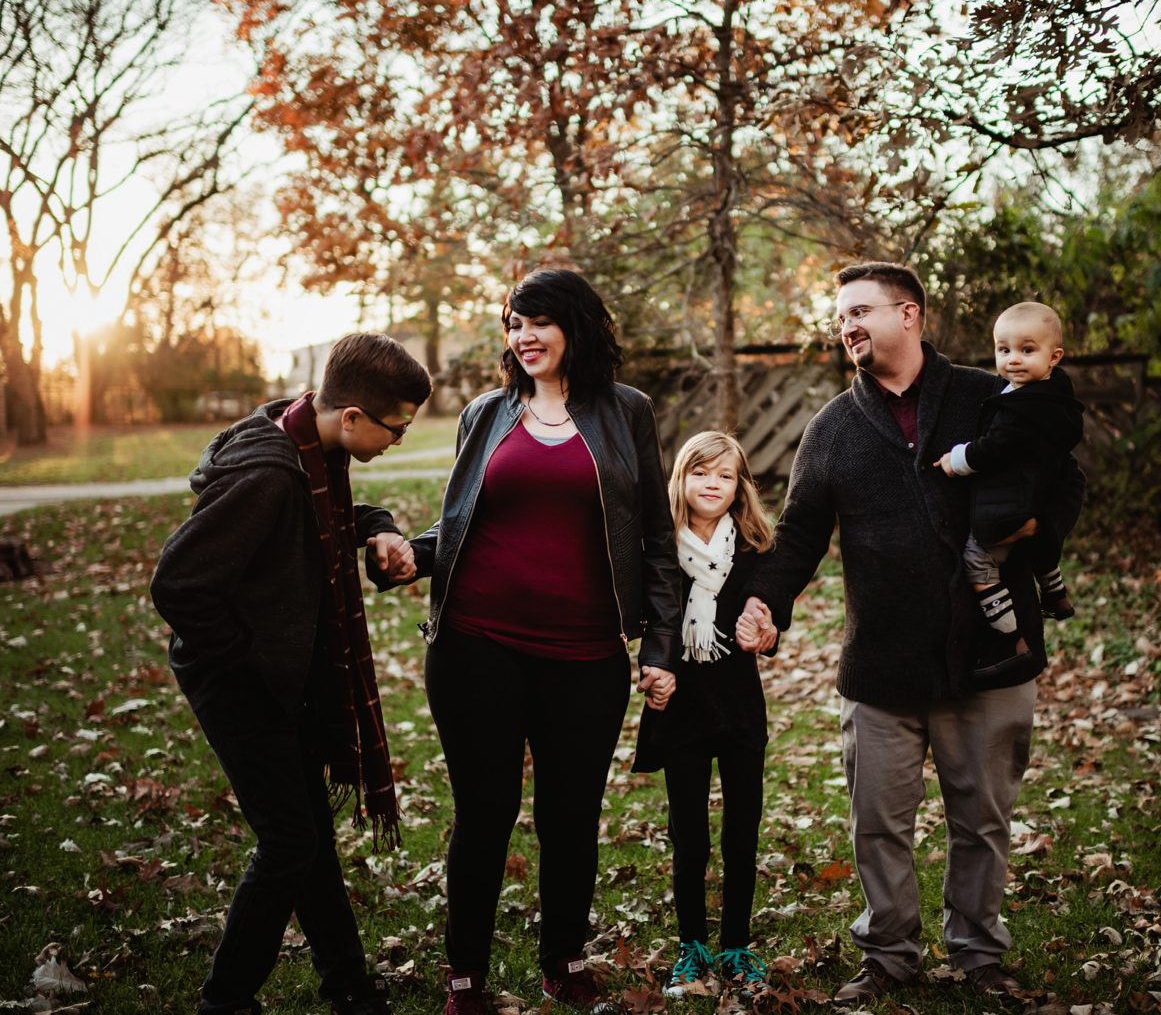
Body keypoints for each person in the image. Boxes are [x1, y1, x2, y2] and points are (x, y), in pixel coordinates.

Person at [736, 262, 1083, 1005]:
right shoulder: (831, 427)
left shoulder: (992, 397)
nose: (848, 326)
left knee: (982, 822)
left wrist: (1041, 527)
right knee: (877, 827)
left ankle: (978, 954)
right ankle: (890, 953)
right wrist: (767, 604)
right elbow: (797, 537)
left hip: (989, 656)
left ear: (910, 315)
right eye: (841, 317)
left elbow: (1065, 477)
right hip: (882, 665)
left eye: (861, 310)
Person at [393, 268, 682, 1015]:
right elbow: (458, 521)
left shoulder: (627, 412)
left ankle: (563, 961)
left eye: (537, 321)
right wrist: (408, 556)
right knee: (483, 811)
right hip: (475, 644)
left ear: (576, 326)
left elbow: (655, 535)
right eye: (513, 323)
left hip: (585, 653)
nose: (522, 336)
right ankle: (465, 979)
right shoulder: (487, 413)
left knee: (570, 815)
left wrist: (658, 646)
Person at [150, 332, 433, 1015]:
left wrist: (382, 526)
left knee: (308, 835)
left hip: (281, 681)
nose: (399, 438)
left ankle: (349, 985)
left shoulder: (313, 445)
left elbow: (329, 519)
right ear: (354, 418)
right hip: (241, 684)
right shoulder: (268, 474)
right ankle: (226, 997)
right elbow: (179, 584)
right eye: (398, 427)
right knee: (289, 841)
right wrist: (259, 660)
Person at [632, 432, 783, 1000]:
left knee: (742, 832)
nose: (713, 484)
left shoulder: (752, 547)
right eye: (701, 472)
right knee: (689, 838)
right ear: (681, 479)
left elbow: (769, 617)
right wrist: (653, 669)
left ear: (739, 485)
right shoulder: (658, 547)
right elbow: (646, 623)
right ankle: (691, 946)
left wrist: (764, 633)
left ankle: (737, 946)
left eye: (725, 475)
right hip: (680, 709)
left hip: (739, 706)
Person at [937, 302, 1084, 633]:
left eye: (1027, 349)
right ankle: (1054, 590)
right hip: (1047, 493)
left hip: (1014, 498)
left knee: (976, 556)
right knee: (1039, 545)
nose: (1013, 359)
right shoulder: (1053, 395)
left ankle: (1003, 623)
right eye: (1004, 349)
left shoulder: (1025, 408)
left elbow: (994, 447)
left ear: (1054, 356)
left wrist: (956, 460)